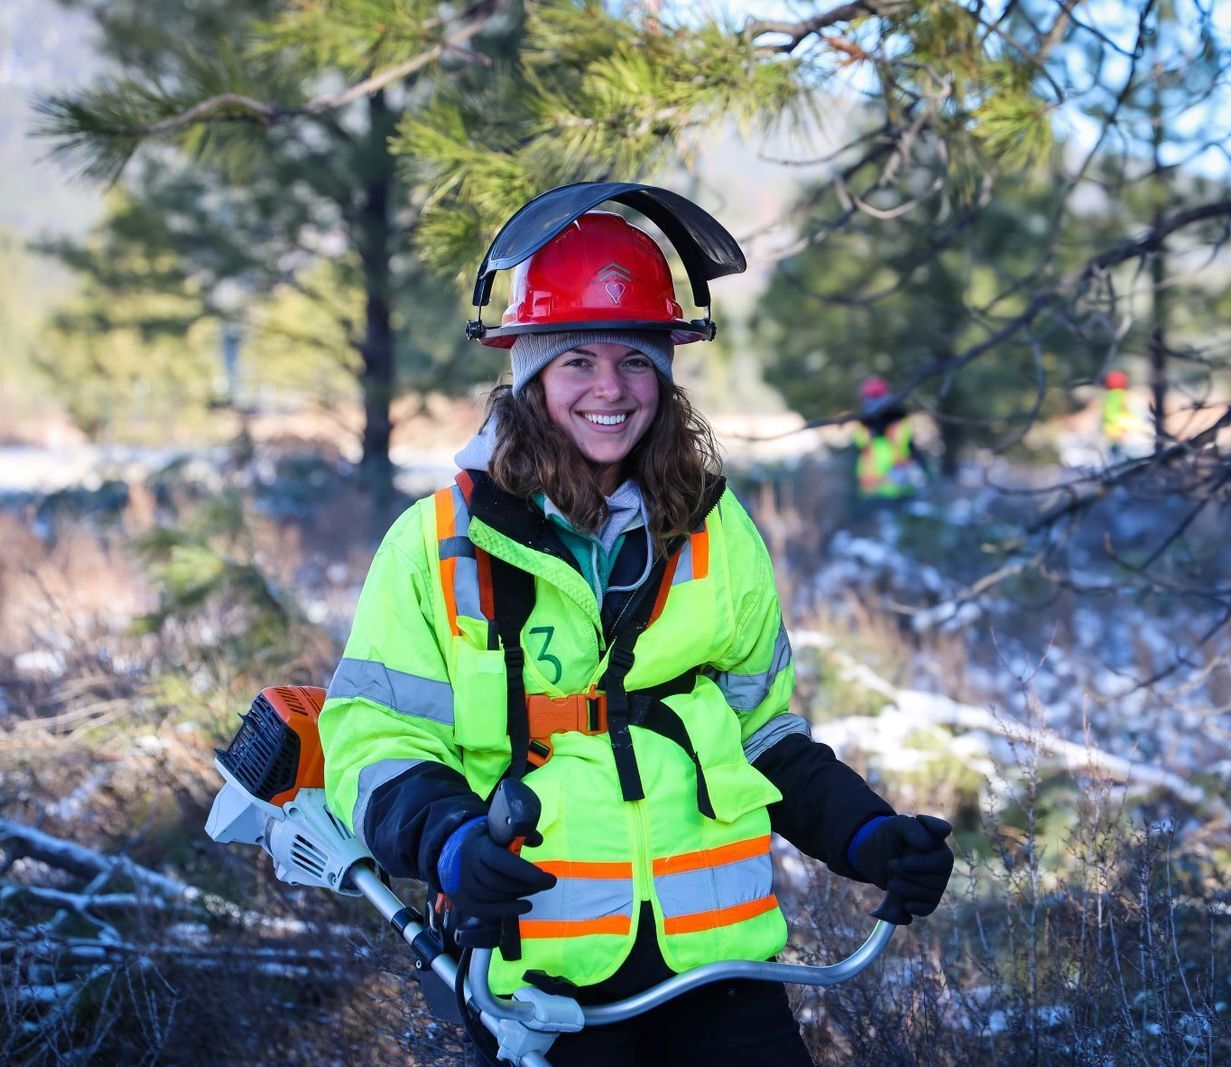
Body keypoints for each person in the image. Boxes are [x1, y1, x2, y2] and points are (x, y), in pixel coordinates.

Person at [318, 183, 954, 1065]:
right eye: (576, 359)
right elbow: (372, 741)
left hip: (723, 972)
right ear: (528, 371)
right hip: (539, 984)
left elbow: (764, 734)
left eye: (635, 359)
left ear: (665, 370)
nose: (609, 389)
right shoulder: (438, 546)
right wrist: (453, 843)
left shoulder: (716, 527)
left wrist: (868, 834)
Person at [851, 376, 929, 506]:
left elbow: (910, 450)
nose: (871, 402)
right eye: (869, 398)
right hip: (870, 495)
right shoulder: (863, 425)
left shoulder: (899, 423)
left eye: (875, 397)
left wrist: (917, 471)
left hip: (899, 492)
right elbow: (858, 454)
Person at [1099, 368, 1140, 461]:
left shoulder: (1114, 396)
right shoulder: (1123, 395)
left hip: (1119, 437)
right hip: (1122, 437)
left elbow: (1112, 416)